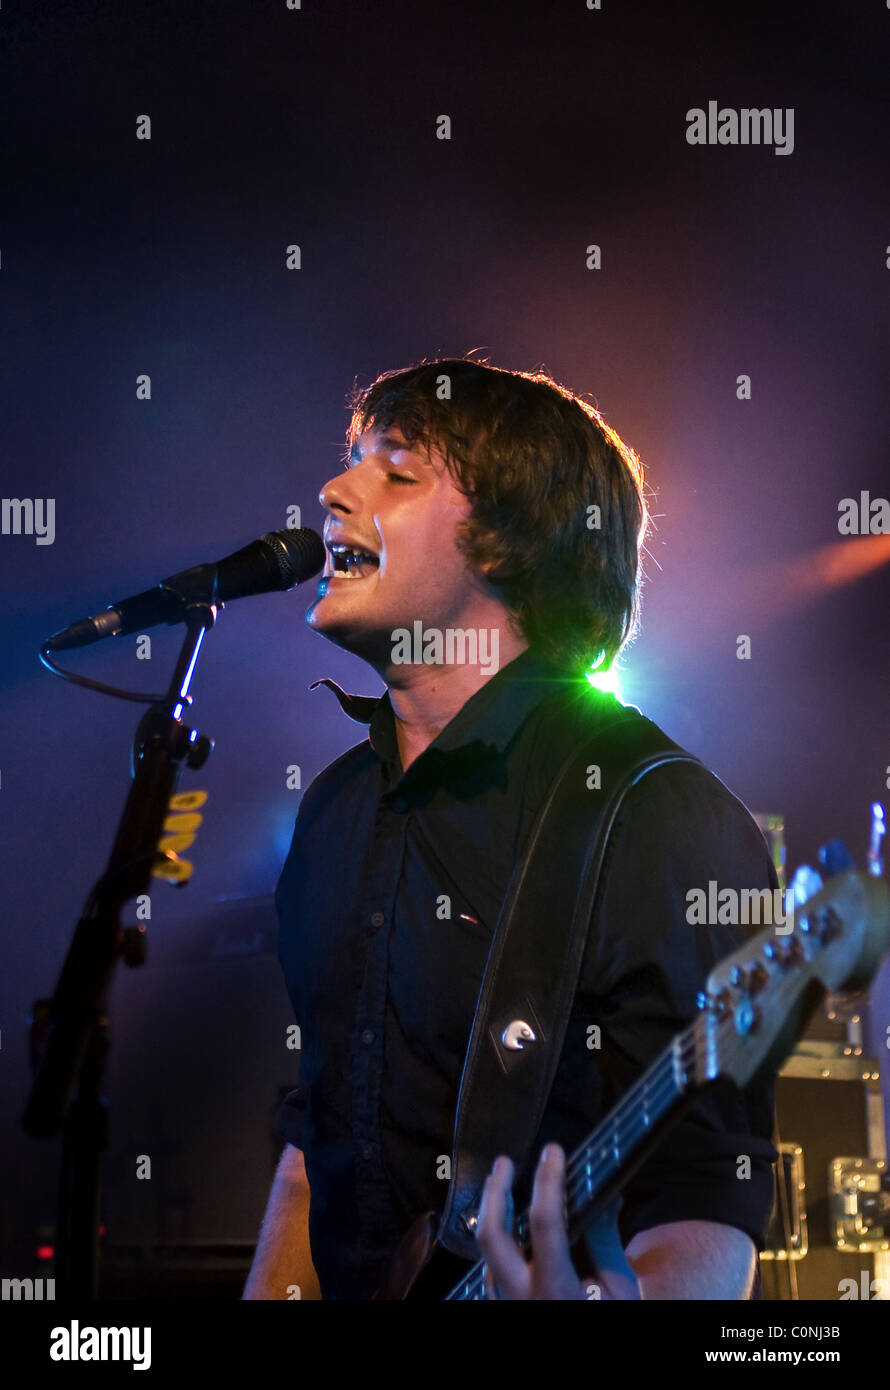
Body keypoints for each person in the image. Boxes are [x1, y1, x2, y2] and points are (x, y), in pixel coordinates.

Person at [242, 356, 778, 1302]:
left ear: (506, 541)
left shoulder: (651, 809)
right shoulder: (332, 811)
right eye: (350, 462)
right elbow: (315, 1139)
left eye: (396, 472)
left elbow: (705, 1190)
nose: (332, 491)